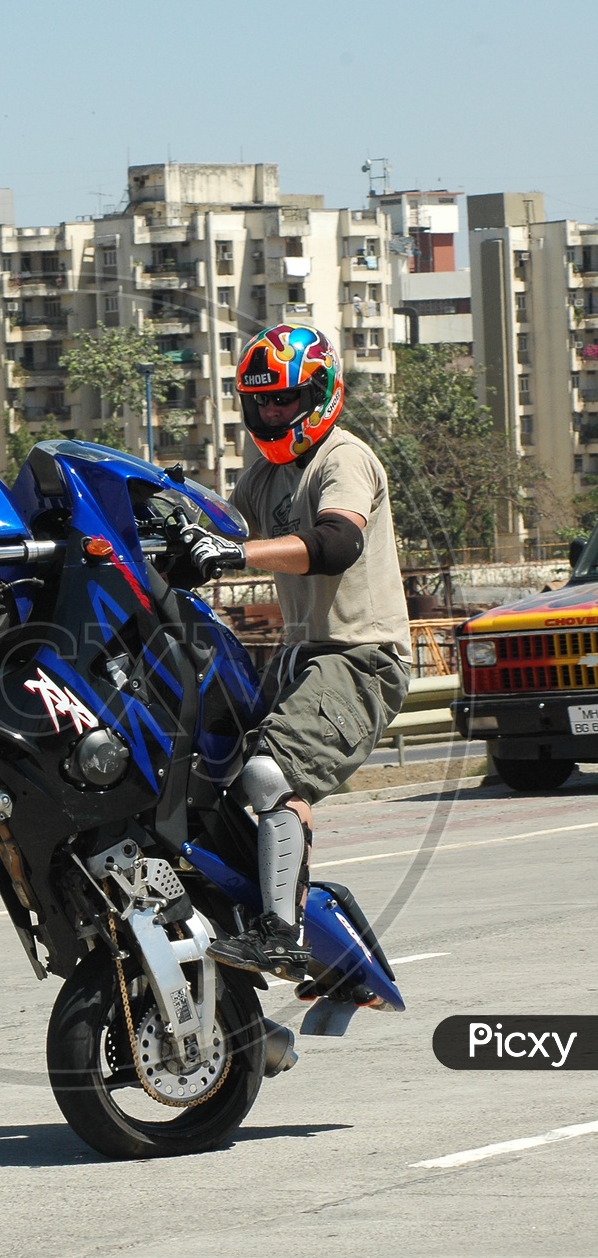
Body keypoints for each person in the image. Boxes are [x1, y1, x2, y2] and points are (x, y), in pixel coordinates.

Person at [184, 323, 411, 977]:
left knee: (269, 775)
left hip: (361, 658)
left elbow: (337, 543)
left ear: (318, 392)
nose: (273, 413)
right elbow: (211, 530)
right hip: (299, 659)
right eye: (262, 402)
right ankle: (278, 930)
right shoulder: (264, 476)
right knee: (202, 777)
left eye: (285, 398)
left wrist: (235, 553)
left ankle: (282, 937)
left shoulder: (344, 458)